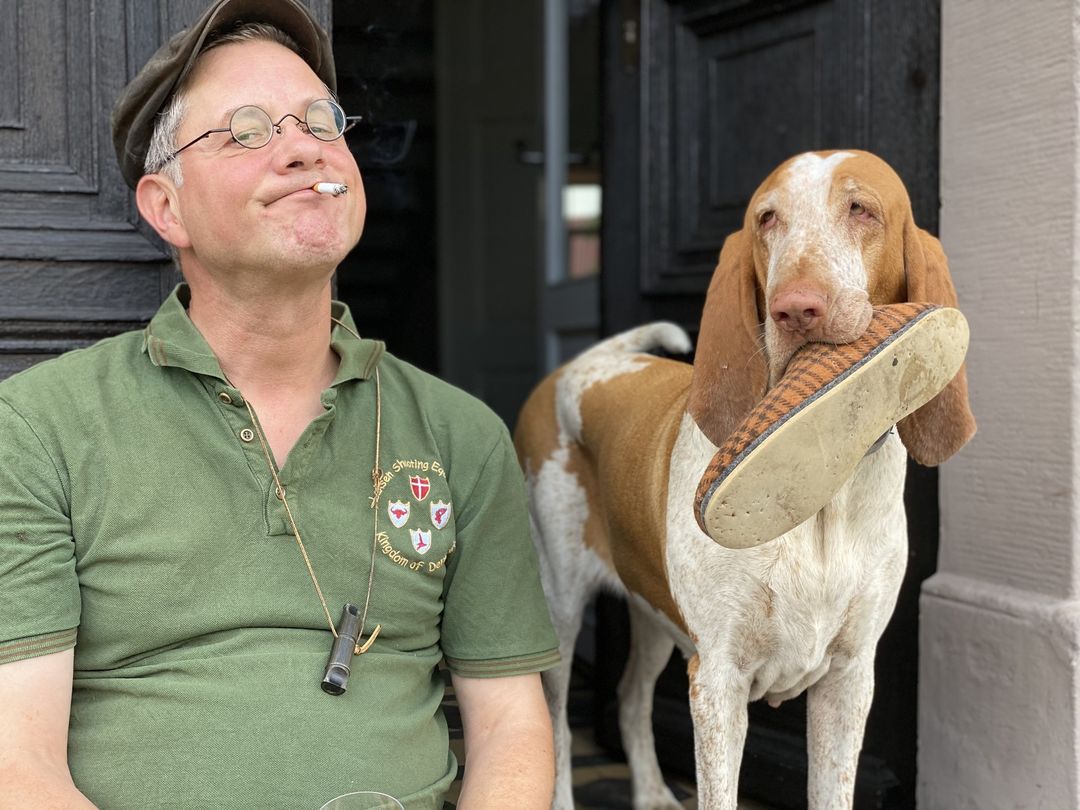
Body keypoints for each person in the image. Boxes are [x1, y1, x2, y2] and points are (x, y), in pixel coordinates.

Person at [0, 1, 559, 807]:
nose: (302, 148)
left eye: (320, 121)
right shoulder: (40, 427)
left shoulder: (457, 434)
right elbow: (18, 764)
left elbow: (510, 722)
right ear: (167, 208)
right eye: (250, 130)